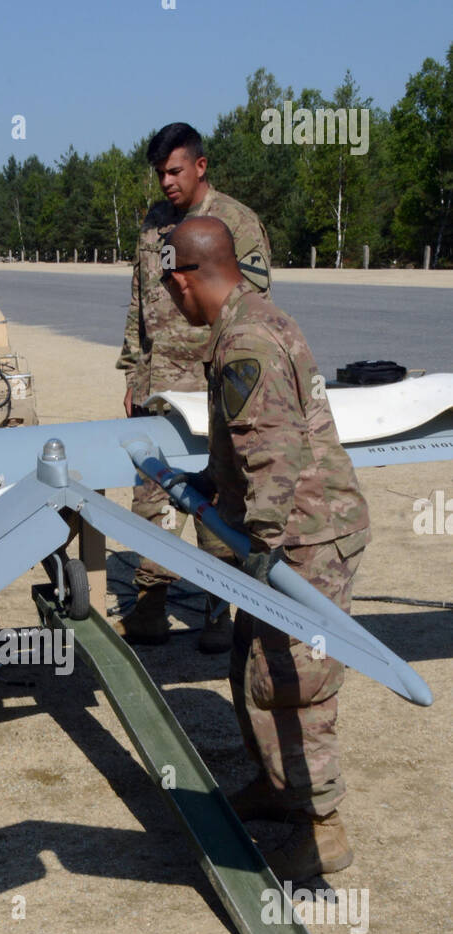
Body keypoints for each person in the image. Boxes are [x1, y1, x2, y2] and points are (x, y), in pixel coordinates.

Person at [161, 216, 370, 880]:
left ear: (184, 278)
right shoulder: (256, 317)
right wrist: (210, 486)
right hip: (290, 530)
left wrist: (265, 549)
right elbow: (255, 444)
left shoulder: (244, 341)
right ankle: (277, 791)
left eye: (171, 286)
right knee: (251, 658)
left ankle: (325, 829)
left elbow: (276, 456)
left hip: (307, 537)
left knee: (292, 682)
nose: (170, 300)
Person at [116, 122, 271, 649]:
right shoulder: (155, 224)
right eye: (160, 173)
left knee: (218, 494)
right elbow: (140, 301)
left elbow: (253, 308)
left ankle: (216, 612)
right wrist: (136, 373)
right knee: (151, 493)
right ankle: (149, 607)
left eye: (175, 171)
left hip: (210, 385)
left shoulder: (235, 223)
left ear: (200, 166)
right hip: (160, 386)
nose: (166, 182)